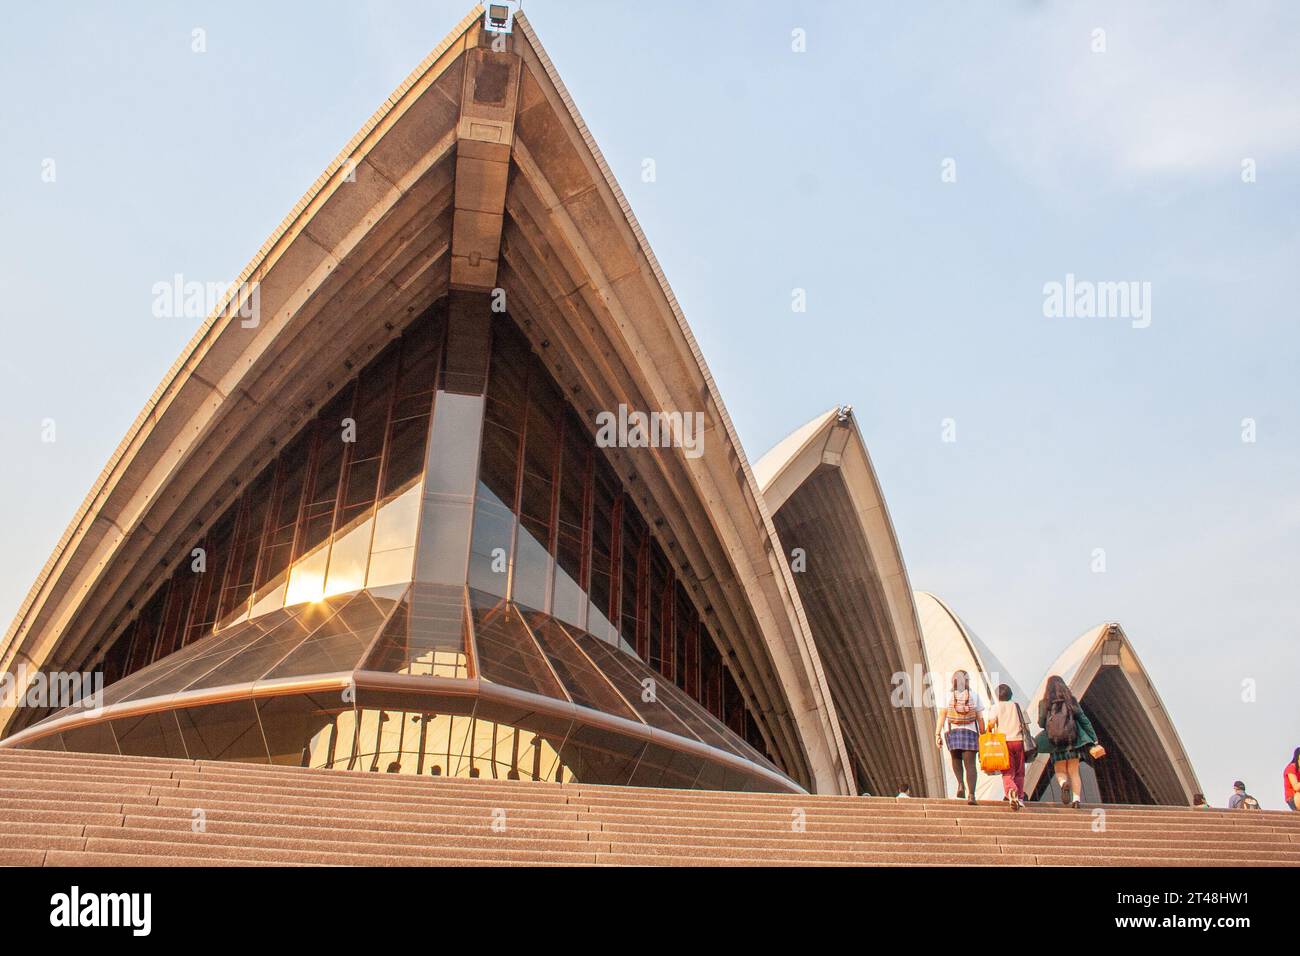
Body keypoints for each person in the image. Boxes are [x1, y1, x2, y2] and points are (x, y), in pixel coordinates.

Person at [1037, 674, 1099, 809]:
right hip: (1073, 741)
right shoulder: (1071, 701)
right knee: (1074, 771)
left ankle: (1064, 783)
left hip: (1055, 742)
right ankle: (1076, 800)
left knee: (1059, 769)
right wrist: (1093, 739)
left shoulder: (1044, 703)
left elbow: (1041, 723)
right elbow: (1083, 719)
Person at [935, 669, 985, 805]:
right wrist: (983, 734)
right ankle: (972, 795)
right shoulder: (974, 695)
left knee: (956, 759)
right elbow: (980, 718)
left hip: (952, 732)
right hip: (971, 732)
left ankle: (960, 783)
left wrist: (937, 733)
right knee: (970, 765)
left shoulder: (947, 696)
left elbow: (942, 715)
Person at [984, 683, 1026, 810]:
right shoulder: (1017, 706)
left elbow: (991, 724)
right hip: (1019, 741)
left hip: (1004, 743)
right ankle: (1019, 797)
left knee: (1007, 772)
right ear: (1010, 694)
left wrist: (989, 729)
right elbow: (1025, 722)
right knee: (1020, 772)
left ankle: (1011, 790)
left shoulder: (996, 707)